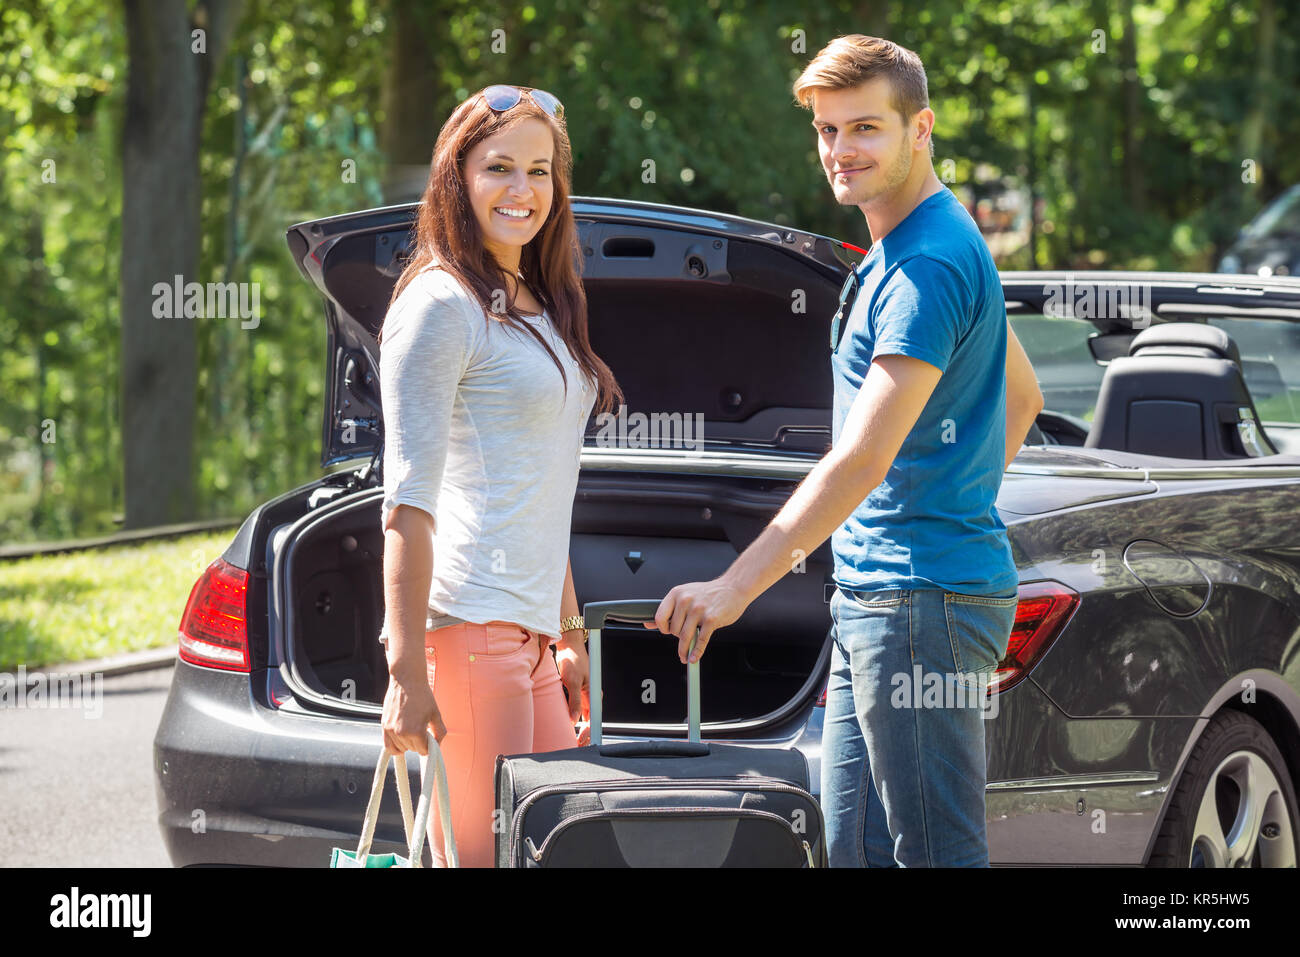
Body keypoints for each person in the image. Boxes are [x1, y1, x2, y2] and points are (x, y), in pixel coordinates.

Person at [643, 36, 1044, 866]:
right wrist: (948, 502)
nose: (839, 151)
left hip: (916, 603)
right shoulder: (925, 235)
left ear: (920, 127)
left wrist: (733, 586)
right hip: (889, 594)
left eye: (864, 128)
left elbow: (860, 460)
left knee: (935, 853)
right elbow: (1024, 397)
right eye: (826, 131)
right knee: (852, 850)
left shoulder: (926, 265)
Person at [377, 84, 622, 867]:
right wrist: (407, 671)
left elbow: (540, 487)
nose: (523, 191)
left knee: (554, 852)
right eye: (500, 168)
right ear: (458, 175)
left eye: (541, 171)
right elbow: (407, 504)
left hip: (531, 637)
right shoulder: (440, 304)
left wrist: (570, 629)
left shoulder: (536, 302)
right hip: (469, 632)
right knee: (485, 860)